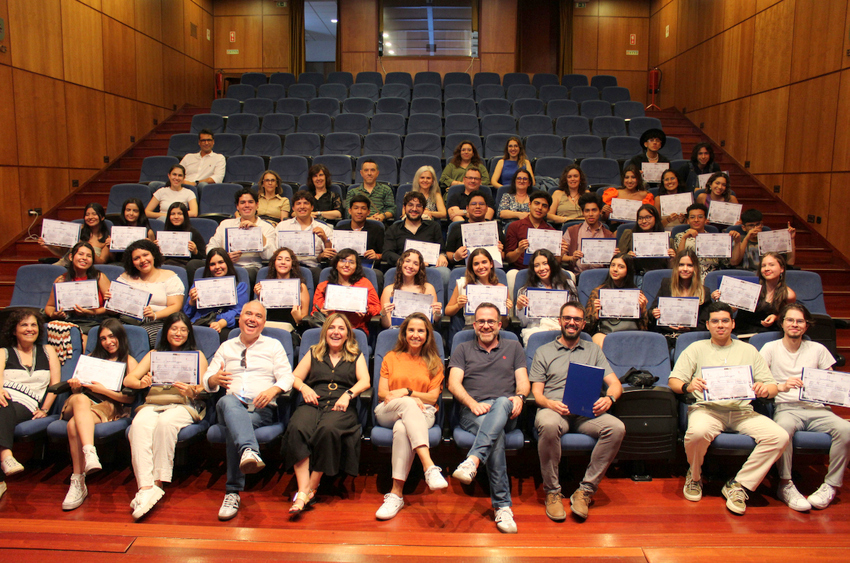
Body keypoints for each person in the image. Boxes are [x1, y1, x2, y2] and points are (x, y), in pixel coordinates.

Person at [670, 301, 788, 515]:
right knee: (697, 432)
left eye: (725, 321)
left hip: (743, 412)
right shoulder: (696, 348)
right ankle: (695, 476)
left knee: (779, 436)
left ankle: (739, 484)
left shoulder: (749, 350)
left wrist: (764, 389)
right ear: (707, 325)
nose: (720, 325)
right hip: (708, 410)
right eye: (715, 321)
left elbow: (772, 387)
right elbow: (674, 381)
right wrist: (688, 385)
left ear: (733, 324)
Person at [530, 301, 625, 521]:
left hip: (586, 412)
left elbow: (615, 385)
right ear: (560, 321)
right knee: (549, 423)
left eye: (577, 320)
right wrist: (549, 403)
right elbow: (537, 394)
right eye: (567, 318)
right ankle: (552, 492)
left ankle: (585, 491)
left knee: (616, 428)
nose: (572, 323)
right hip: (555, 409)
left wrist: (609, 398)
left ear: (583, 324)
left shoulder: (593, 350)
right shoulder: (544, 351)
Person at [203, 300, 294, 521]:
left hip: (260, 410)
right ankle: (248, 452)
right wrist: (214, 379)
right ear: (240, 318)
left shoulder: (273, 346)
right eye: (248, 314)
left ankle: (233, 491)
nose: (252, 319)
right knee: (227, 402)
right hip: (229, 405)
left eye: (258, 316)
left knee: (238, 425)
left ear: (264, 322)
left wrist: (273, 390)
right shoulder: (226, 347)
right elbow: (207, 379)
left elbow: (287, 377)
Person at [448, 302, 530, 533]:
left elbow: (523, 382)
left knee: (503, 401)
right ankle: (503, 507)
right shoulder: (463, 349)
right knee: (496, 436)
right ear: (474, 325)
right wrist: (472, 403)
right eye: (481, 321)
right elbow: (453, 383)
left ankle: (472, 461)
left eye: (490, 321)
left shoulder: (513, 347)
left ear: (499, 325)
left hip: (506, 410)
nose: (486, 326)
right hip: (472, 412)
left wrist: (521, 397)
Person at [760, 304, 850, 512]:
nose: (794, 324)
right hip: (786, 406)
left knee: (846, 429)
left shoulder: (818, 349)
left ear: (806, 326)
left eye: (800, 321)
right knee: (782, 431)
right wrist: (783, 385)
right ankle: (785, 484)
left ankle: (830, 485)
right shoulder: (770, 348)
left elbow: (831, 382)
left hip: (817, 408)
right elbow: (760, 382)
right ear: (782, 323)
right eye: (790, 320)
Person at [282, 313, 370, 517]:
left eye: (341, 328)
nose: (336, 332)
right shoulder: (314, 352)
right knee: (297, 427)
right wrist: (304, 388)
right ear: (325, 332)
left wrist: (349, 394)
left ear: (348, 334)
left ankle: (309, 487)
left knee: (327, 429)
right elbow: (294, 377)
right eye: (332, 328)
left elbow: (365, 381)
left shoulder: (355, 355)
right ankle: (305, 489)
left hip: (340, 405)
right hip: (313, 401)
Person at [124, 312, 209, 520]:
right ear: (166, 331)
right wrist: (141, 383)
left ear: (188, 333)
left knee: (165, 423)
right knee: (139, 425)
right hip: (153, 403)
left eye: (183, 329)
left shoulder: (196, 355)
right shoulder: (154, 354)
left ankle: (157, 482)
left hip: (183, 404)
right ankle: (145, 487)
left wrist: (193, 391)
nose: (178, 333)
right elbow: (129, 380)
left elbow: (205, 388)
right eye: (174, 329)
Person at [373, 313, 448, 519]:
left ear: (427, 335)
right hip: (388, 409)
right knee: (406, 406)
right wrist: (407, 399)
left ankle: (396, 494)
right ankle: (429, 466)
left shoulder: (434, 363)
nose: (415, 335)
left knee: (402, 428)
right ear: (404, 333)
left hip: (424, 411)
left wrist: (408, 393)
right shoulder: (391, 357)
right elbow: (382, 393)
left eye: (421, 331)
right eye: (411, 330)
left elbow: (433, 398)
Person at [59, 319, 137, 511]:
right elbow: (78, 392)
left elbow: (129, 399)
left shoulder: (129, 361)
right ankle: (90, 452)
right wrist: (76, 387)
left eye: (111, 336)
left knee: (72, 426)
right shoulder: (92, 358)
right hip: (81, 400)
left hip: (108, 404)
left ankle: (77, 480)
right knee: (79, 399)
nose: (107, 342)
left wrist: (104, 390)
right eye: (103, 338)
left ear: (120, 336)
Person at [0, 311, 61, 500]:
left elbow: (55, 385)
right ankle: (5, 462)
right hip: (4, 396)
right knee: (3, 404)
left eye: (33, 325)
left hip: (27, 402)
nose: (30, 329)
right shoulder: (3, 352)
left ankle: (5, 459)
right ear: (14, 331)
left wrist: (45, 409)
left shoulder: (48, 351)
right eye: (24, 325)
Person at [117, 239, 185, 346]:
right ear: (132, 262)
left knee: (144, 335)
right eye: (136, 258)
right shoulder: (124, 278)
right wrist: (110, 300)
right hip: (128, 321)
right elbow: (115, 308)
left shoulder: (169, 276)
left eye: (145, 255)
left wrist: (154, 315)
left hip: (159, 321)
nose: (142, 260)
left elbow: (175, 306)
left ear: (153, 255)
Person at [44, 241, 112, 346]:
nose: (84, 258)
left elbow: (111, 307)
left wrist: (93, 312)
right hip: (69, 320)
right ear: (71, 257)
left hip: (94, 321)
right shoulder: (61, 280)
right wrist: (54, 314)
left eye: (89, 256)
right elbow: (49, 306)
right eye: (80, 254)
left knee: (81, 340)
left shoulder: (99, 277)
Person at [205, 188, 276, 286]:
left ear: (257, 205)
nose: (247, 205)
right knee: (195, 265)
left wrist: (258, 233)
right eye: (242, 202)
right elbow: (210, 248)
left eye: (250, 202)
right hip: (225, 265)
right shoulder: (225, 224)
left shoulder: (266, 227)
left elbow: (270, 256)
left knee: (245, 273)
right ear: (237, 206)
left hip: (251, 268)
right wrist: (224, 258)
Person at [382, 192, 450, 286]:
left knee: (445, 273)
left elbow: (441, 250)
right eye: (410, 205)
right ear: (404, 207)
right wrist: (405, 262)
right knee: (390, 274)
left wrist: (442, 256)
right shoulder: (394, 229)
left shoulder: (434, 227)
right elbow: (387, 253)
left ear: (424, 209)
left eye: (418, 206)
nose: (414, 209)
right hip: (404, 268)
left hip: (430, 268)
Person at [585, 251, 649, 348]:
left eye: (621, 267)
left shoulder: (637, 294)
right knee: (599, 340)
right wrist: (595, 316)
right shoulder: (598, 292)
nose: (615, 269)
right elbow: (586, 328)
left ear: (628, 270)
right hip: (606, 333)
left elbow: (644, 329)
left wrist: (643, 309)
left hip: (631, 334)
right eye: (613, 265)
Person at [183, 248, 249, 342]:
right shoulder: (198, 286)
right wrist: (192, 302)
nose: (217, 267)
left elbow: (238, 311)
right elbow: (186, 314)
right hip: (199, 322)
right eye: (212, 264)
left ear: (227, 263)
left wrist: (221, 323)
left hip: (224, 324)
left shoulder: (239, 287)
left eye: (221, 262)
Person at [724, 252, 796, 336]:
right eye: (763, 266)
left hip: (768, 334)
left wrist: (776, 317)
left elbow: (787, 315)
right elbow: (731, 310)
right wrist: (721, 299)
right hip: (741, 332)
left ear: (782, 269)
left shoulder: (788, 294)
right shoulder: (750, 286)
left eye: (771, 265)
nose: (766, 269)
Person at [312, 249, 382, 335]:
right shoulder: (324, 286)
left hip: (355, 329)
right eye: (343, 261)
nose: (347, 265)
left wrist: (367, 310)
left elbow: (377, 309)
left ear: (356, 266)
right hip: (330, 328)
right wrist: (323, 312)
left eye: (351, 262)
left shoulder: (364, 283)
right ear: (336, 265)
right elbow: (315, 312)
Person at [516, 249, 578, 344]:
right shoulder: (525, 291)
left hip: (561, 328)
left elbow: (575, 311)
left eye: (545, 263)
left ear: (552, 265)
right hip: (536, 330)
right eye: (537, 265)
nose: (541, 268)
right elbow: (523, 323)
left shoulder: (567, 285)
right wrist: (519, 307)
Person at [649, 249, 711, 344]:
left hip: (691, 338)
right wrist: (654, 313)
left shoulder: (704, 292)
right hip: (666, 336)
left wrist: (689, 328)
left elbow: (704, 324)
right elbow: (651, 311)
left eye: (689, 265)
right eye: (681, 265)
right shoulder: (666, 285)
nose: (685, 269)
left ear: (695, 268)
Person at [276, 190, 334, 287]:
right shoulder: (282, 226)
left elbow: (331, 254)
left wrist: (325, 238)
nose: (302, 207)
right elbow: (276, 250)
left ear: (312, 207)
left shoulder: (324, 228)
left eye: (306, 203)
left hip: (312, 267)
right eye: (298, 203)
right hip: (286, 266)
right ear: (293, 208)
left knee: (319, 274)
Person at [445, 248, 512, 330]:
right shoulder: (463, 285)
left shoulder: (501, 289)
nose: (481, 267)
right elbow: (447, 311)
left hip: (494, 330)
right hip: (471, 329)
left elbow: (504, 325)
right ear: (472, 267)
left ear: (491, 264)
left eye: (484, 262)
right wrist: (458, 305)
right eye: (476, 264)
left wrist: (505, 314)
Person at [673, 203, 740, 282]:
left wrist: (737, 241)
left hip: (712, 277)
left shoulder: (715, 238)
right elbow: (678, 260)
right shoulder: (680, 236)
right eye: (692, 217)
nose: (696, 220)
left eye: (700, 217)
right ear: (688, 220)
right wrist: (685, 237)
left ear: (706, 220)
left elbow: (733, 262)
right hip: (689, 276)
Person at [379, 249, 442, 329]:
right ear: (401, 263)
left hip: (421, 331)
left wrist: (438, 313)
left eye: (415, 264)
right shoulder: (389, 290)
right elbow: (387, 325)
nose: (411, 266)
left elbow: (434, 321)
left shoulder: (428, 288)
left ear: (419, 267)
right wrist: (384, 313)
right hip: (397, 331)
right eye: (407, 261)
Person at [505, 190, 565, 271]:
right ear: (529, 204)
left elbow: (555, 263)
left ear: (548, 210)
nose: (540, 208)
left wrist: (560, 253)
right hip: (520, 269)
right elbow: (508, 259)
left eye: (544, 206)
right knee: (512, 274)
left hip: (544, 270)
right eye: (536, 203)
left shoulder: (551, 232)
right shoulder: (514, 226)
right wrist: (518, 251)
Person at [253, 247, 310, 333]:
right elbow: (260, 313)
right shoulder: (266, 286)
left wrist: (298, 319)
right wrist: (259, 296)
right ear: (274, 263)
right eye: (279, 259)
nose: (283, 262)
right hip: (268, 327)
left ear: (292, 265)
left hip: (291, 329)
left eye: (287, 260)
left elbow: (305, 318)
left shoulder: (301, 287)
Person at [445, 190, 506, 268]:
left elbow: (504, 254)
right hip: (463, 268)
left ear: (487, 208)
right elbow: (449, 254)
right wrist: (455, 256)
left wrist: (500, 253)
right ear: (467, 208)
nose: (477, 207)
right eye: (473, 204)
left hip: (490, 269)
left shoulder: (495, 227)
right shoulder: (457, 227)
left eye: (481, 204)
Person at [39, 202, 112, 266]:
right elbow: (62, 253)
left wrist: (89, 249)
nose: (90, 217)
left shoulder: (106, 238)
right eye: (87, 215)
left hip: (88, 269)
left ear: (102, 217)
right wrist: (49, 245)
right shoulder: (76, 231)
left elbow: (102, 262)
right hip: (66, 265)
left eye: (94, 214)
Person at [562, 192, 614, 274]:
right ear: (583, 213)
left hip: (601, 275)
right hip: (577, 275)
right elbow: (560, 256)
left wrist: (614, 256)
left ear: (600, 211)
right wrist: (572, 258)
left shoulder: (608, 235)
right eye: (587, 211)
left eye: (594, 210)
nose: (590, 214)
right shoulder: (572, 231)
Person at [616, 204, 674, 276]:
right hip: (634, 276)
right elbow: (619, 259)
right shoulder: (629, 235)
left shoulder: (666, 240)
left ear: (655, 218)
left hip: (658, 276)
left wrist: (672, 259)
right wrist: (627, 257)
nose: (643, 221)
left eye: (648, 217)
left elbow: (670, 269)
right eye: (640, 218)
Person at [730, 208, 796, 271]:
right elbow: (734, 262)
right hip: (746, 274)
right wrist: (747, 238)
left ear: (762, 224)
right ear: (744, 228)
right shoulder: (739, 239)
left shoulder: (771, 239)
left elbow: (790, 262)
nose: (755, 228)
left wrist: (791, 239)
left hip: (766, 273)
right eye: (751, 225)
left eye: (758, 224)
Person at [159, 202, 206, 271]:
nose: (176, 217)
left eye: (179, 214)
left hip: (186, 265)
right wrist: (156, 249)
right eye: (173, 214)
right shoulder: (164, 234)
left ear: (185, 216)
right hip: (167, 264)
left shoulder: (193, 233)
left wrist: (195, 252)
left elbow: (203, 256)